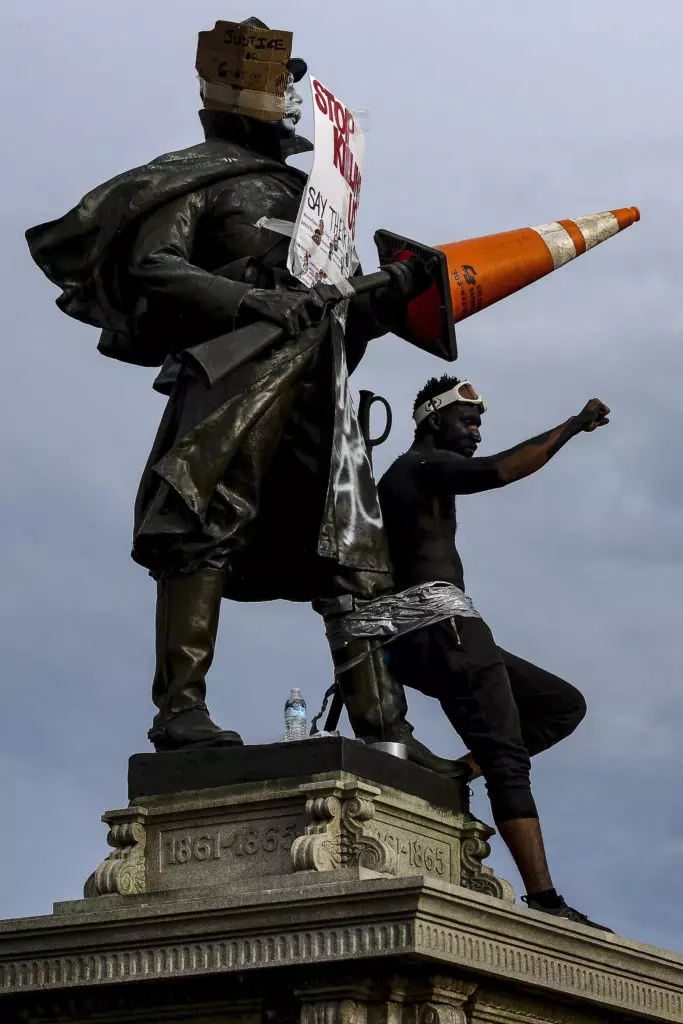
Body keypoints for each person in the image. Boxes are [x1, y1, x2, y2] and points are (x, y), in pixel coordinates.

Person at [24, 16, 459, 776]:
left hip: (319, 390)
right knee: (200, 526)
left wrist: (392, 297)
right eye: (277, 88)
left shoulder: (315, 199)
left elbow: (335, 308)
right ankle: (180, 713)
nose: (291, 102)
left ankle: (384, 723)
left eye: (294, 89)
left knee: (351, 552)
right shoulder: (192, 179)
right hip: (234, 382)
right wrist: (247, 302)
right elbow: (156, 267)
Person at [376, 373, 612, 930]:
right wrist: (574, 425)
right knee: (510, 761)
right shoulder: (418, 467)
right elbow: (502, 470)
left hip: (444, 631)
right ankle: (545, 899)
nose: (477, 431)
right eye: (467, 420)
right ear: (433, 419)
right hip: (442, 629)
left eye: (480, 422)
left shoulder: (420, 474)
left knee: (562, 705)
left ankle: (460, 773)